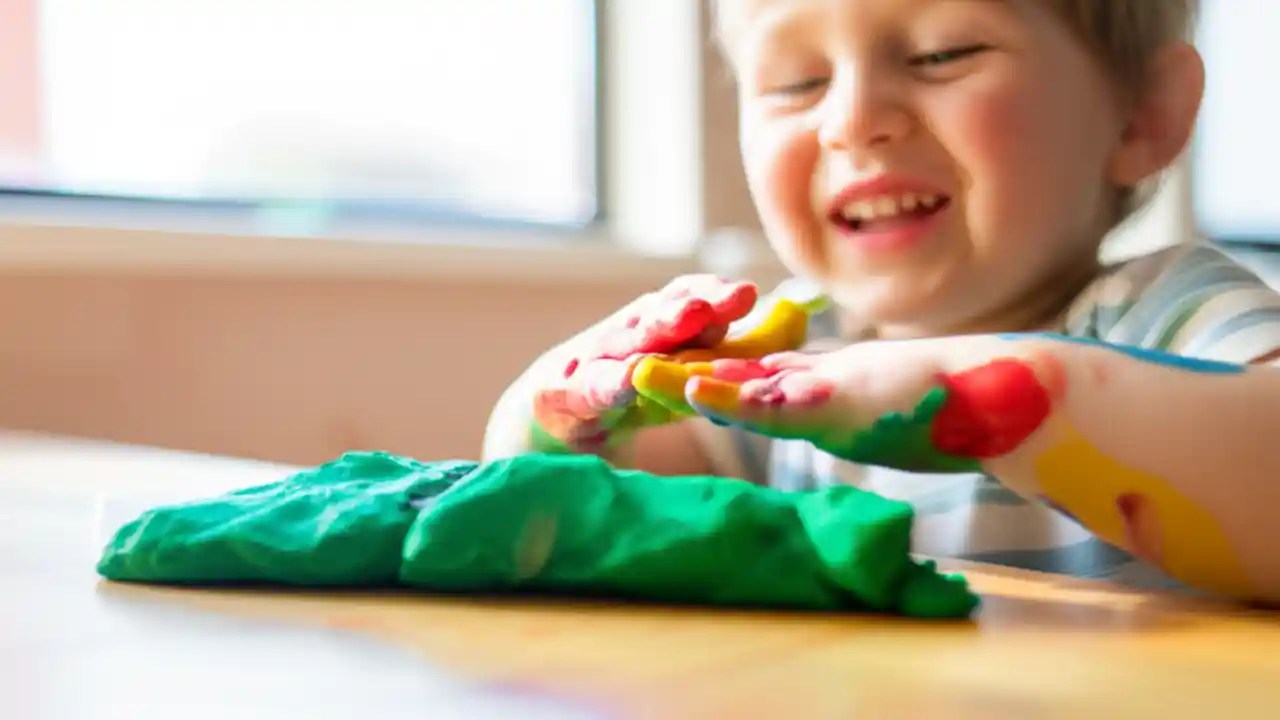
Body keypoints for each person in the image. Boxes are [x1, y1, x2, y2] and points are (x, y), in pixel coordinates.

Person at [484, 0, 1280, 603]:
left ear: (1145, 113)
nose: (853, 121)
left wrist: (985, 398)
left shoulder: (1168, 312)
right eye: (797, 83)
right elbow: (565, 524)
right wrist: (562, 407)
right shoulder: (770, 368)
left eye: (943, 54)